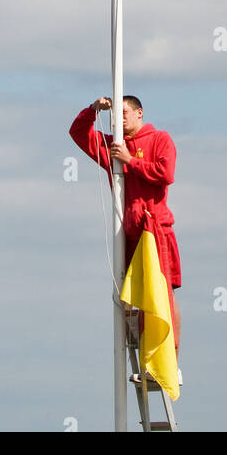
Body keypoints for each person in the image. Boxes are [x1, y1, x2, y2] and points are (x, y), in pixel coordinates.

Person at [69, 95, 181, 347]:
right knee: (131, 296)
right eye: (114, 114)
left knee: (163, 293)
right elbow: (77, 132)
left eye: (124, 112)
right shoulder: (113, 146)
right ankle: (141, 352)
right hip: (127, 231)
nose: (118, 118)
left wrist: (130, 161)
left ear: (139, 113)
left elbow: (166, 173)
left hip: (155, 226)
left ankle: (169, 359)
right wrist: (94, 109)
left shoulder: (160, 138)